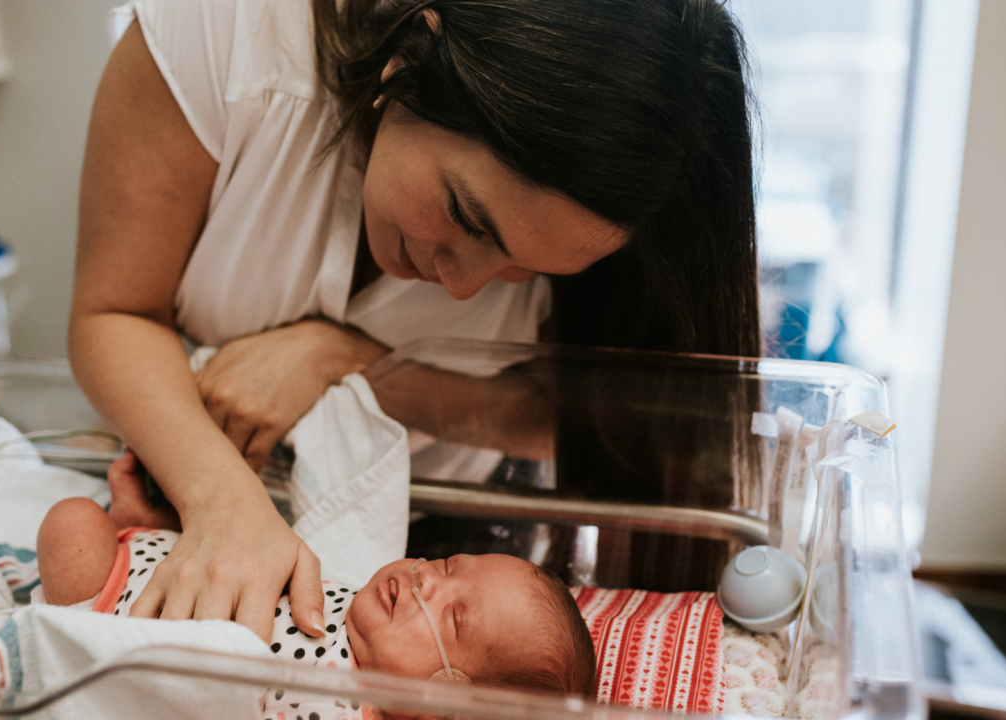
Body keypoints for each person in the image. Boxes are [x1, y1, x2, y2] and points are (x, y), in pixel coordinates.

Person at [69, 0, 759, 644]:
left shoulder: (612, 216)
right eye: (467, 218)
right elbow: (113, 312)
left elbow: (599, 417)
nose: (463, 287)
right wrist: (221, 503)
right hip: (183, 476)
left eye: (528, 269)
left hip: (453, 529)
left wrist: (355, 364)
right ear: (409, 59)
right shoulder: (227, 38)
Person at [35, 456, 598, 713]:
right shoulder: (356, 602)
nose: (426, 579)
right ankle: (145, 531)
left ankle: (59, 632)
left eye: (454, 619)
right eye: (448, 564)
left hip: (117, 623)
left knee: (73, 522)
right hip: (182, 566)